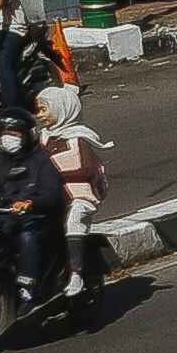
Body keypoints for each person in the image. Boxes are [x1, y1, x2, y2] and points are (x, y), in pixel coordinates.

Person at [0, 108, 68, 308]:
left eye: (15, 135)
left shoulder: (42, 160)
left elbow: (52, 193)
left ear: (28, 136)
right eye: (5, 134)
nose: (10, 139)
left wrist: (31, 202)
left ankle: (28, 288)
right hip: (8, 216)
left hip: (41, 218)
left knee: (26, 237)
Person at [33, 78, 111, 298]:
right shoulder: (43, 137)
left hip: (79, 195)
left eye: (44, 110)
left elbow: (86, 170)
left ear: (63, 109)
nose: (40, 116)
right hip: (50, 193)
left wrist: (56, 175)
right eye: (38, 111)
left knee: (72, 222)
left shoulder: (79, 137)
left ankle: (76, 273)